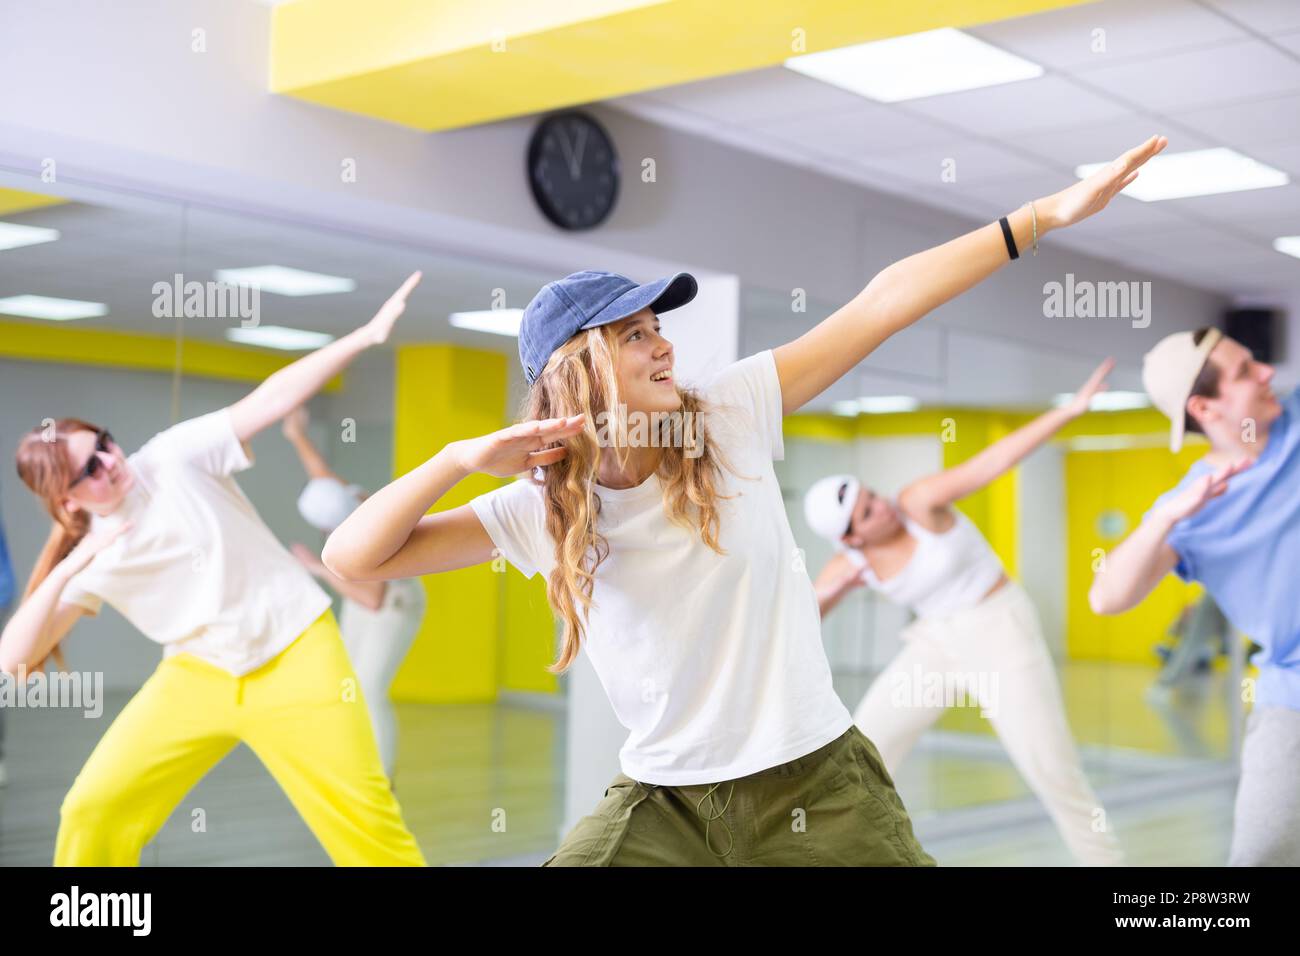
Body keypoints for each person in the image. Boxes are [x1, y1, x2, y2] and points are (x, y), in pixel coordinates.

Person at [322, 136, 1166, 866]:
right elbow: (351, 557)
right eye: (635, 334)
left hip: (820, 783)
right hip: (665, 804)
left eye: (659, 328)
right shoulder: (539, 510)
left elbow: (881, 304)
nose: (664, 346)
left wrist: (1043, 216)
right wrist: (455, 458)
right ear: (579, 369)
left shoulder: (728, 414)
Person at [0, 274, 428, 867]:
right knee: (90, 811)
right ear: (66, 499)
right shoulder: (94, 558)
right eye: (89, 469)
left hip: (296, 650)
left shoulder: (171, 456)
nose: (109, 461)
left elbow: (269, 400)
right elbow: (13, 662)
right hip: (197, 675)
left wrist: (363, 336)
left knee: (366, 824)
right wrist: (73, 562)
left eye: (104, 443)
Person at [802, 360, 1124, 866]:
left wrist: (1070, 411)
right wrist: (833, 590)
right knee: (865, 754)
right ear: (851, 537)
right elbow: (802, 623)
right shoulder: (849, 563)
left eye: (872, 495)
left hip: (999, 627)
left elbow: (992, 462)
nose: (881, 506)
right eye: (866, 512)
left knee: (1052, 770)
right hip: (935, 642)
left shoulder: (918, 502)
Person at [1089, 325, 1298, 866]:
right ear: (1204, 408)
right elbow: (1107, 598)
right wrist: (1163, 519)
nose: (1268, 372)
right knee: (1261, 856)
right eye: (1246, 372)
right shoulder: (1192, 507)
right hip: (1292, 696)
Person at [282, 406, 426, 782]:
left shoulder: (364, 529)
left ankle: (382, 778)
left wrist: (317, 569)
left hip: (392, 602)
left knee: (369, 689)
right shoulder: (348, 497)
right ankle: (353, 764)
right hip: (365, 593)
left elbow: (372, 599)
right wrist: (297, 435)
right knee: (348, 682)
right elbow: (321, 476)